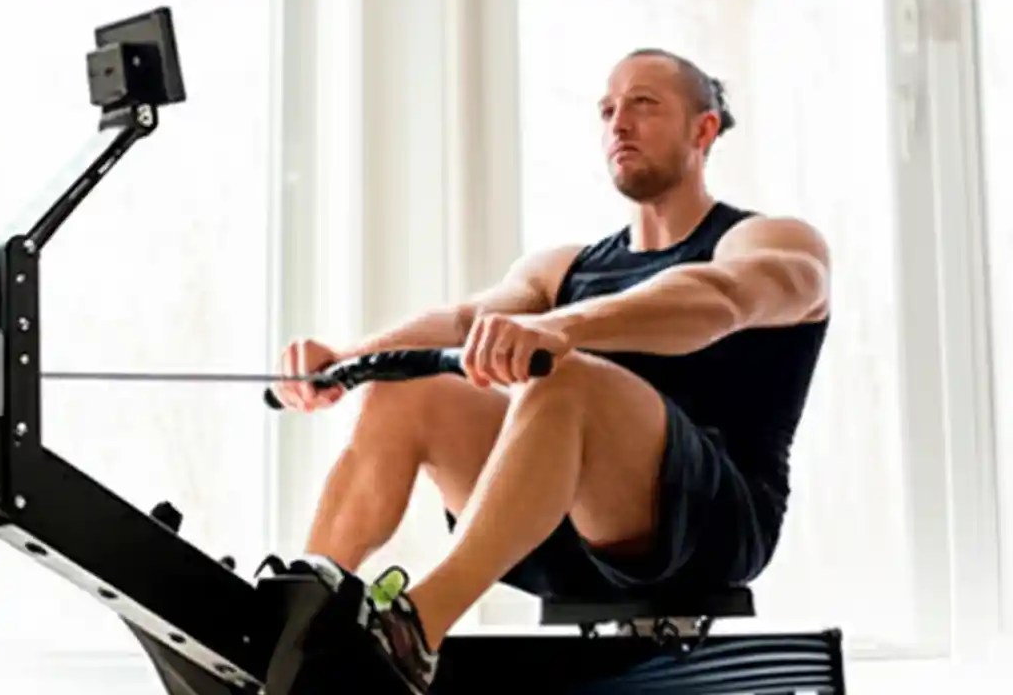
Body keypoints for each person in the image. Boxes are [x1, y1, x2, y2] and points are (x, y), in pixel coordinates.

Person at [267, 47, 830, 692]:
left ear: (703, 129)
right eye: (608, 110)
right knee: (409, 389)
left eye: (644, 105)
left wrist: (560, 328)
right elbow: (461, 322)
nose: (619, 124)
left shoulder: (770, 241)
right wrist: (347, 362)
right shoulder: (565, 268)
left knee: (568, 377)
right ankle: (296, 622)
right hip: (561, 534)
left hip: (706, 532)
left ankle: (414, 630)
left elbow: (720, 300)